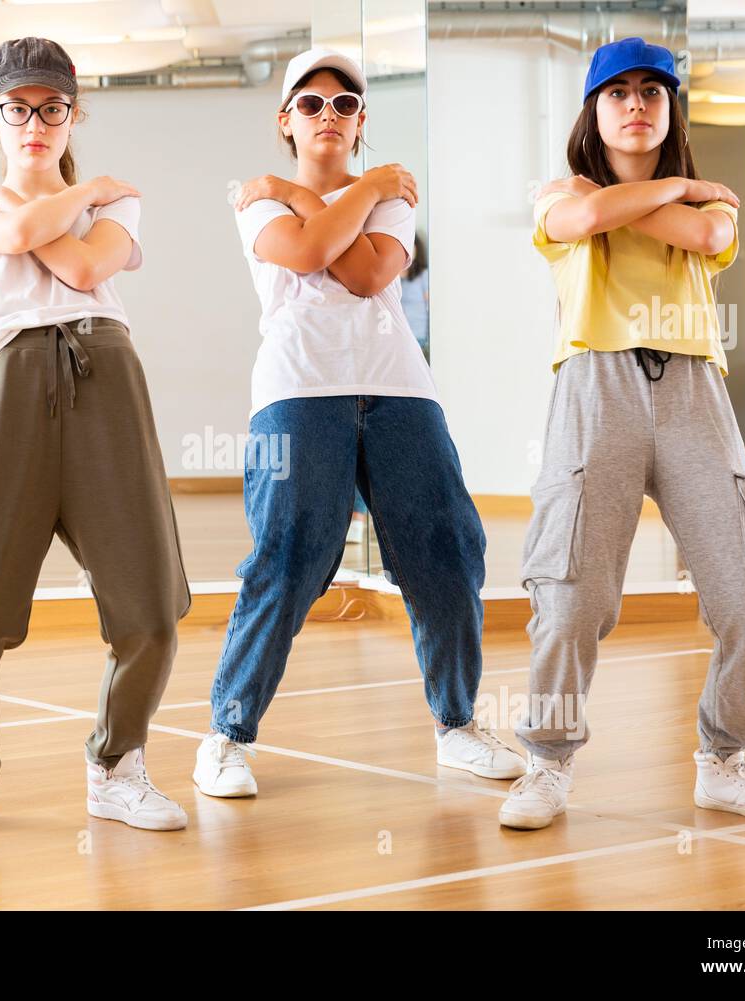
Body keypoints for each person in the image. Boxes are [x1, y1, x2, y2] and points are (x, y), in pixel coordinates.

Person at [194, 47, 524, 800]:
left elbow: (369, 274)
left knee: (449, 548)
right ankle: (226, 736)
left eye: (344, 105)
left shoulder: (383, 198)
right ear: (286, 120)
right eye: (310, 104)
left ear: (360, 120)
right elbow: (314, 252)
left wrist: (333, 189)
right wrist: (358, 186)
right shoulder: (261, 202)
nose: (328, 116)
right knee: (288, 559)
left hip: (401, 389)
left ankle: (458, 726)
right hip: (297, 390)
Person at [501, 36, 745, 830]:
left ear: (670, 109)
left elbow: (704, 238)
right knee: (570, 594)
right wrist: (683, 184)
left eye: (651, 92)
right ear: (593, 113)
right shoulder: (563, 193)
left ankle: (725, 759)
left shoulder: (710, 211)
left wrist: (672, 197)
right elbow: (587, 213)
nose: (635, 105)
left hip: (694, 392)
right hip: (594, 386)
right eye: (617, 93)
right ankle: (547, 761)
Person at [0, 36, 192, 841]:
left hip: (107, 375)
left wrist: (54, 200)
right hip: (3, 387)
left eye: (53, 108)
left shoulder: (110, 203)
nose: (35, 123)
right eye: (18, 108)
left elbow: (80, 271)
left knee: (152, 604)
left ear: (74, 112)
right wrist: (51, 200)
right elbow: (18, 236)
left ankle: (117, 764)